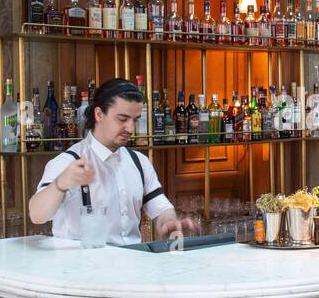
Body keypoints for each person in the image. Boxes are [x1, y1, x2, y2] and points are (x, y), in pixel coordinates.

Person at [28, 78, 195, 245]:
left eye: (135, 120)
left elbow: (161, 208)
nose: (131, 129)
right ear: (99, 114)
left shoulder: (139, 162)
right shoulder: (67, 162)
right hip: (80, 268)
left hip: (132, 265)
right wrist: (61, 183)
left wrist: (169, 223)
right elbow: (37, 215)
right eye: (122, 119)